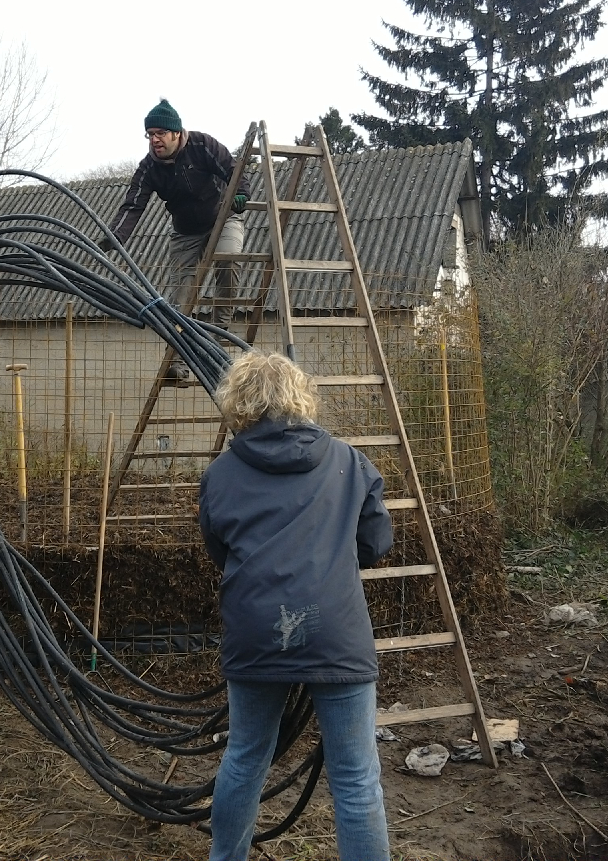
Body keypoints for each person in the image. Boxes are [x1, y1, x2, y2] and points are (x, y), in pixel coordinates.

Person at [198, 350, 393, 861]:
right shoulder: (350, 462)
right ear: (300, 397)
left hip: (257, 629)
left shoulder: (220, 475)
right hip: (336, 631)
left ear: (237, 402)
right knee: (355, 775)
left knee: (245, 757)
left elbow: (220, 550)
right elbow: (375, 543)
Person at [102, 98, 249, 385]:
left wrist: (241, 192)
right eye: (150, 134)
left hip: (223, 218)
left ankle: (219, 335)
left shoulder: (203, 145)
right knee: (180, 297)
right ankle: (178, 362)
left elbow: (234, 169)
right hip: (186, 232)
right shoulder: (149, 168)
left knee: (228, 260)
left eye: (160, 133)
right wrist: (114, 236)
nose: (154, 139)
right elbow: (133, 204)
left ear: (176, 133)